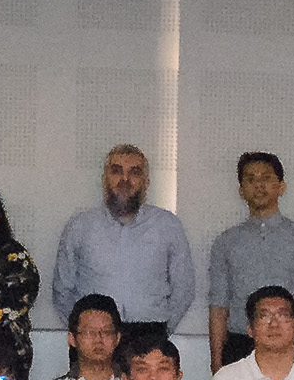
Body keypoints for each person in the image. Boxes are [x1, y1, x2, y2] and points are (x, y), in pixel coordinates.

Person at [50, 145, 197, 351]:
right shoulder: (80, 226)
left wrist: (162, 330)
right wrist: (83, 332)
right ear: (105, 178)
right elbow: (62, 289)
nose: (124, 180)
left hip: (149, 336)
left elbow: (184, 287)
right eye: (116, 171)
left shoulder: (168, 225)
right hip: (93, 338)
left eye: (134, 172)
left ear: (146, 182)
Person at [205, 153, 294, 371]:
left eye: (266, 178)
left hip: (289, 344)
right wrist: (216, 361)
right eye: (251, 179)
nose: (259, 185)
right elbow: (219, 305)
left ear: (281, 187)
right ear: (241, 191)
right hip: (238, 345)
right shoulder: (225, 242)